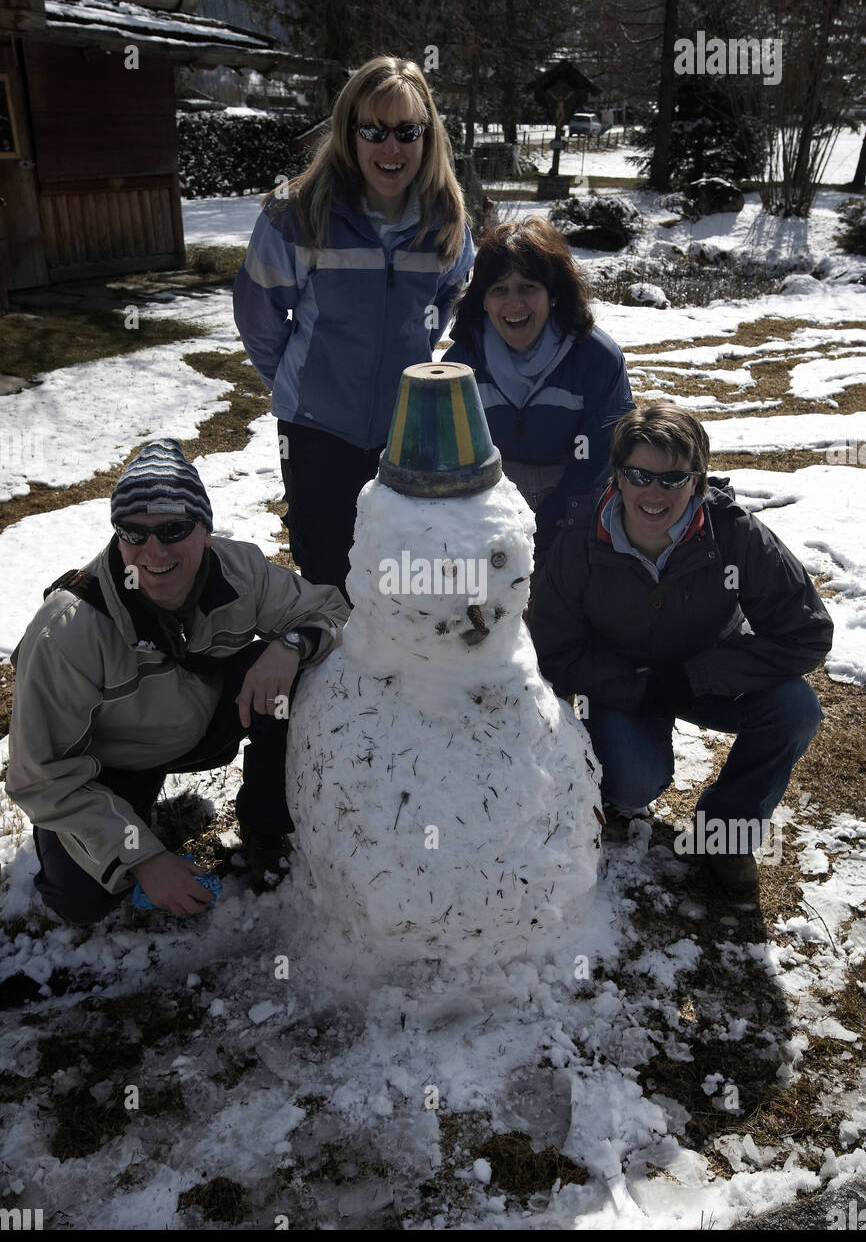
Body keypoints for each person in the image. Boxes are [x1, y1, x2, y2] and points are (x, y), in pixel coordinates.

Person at [6, 439, 349, 924]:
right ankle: (129, 826)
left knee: (298, 674)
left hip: (204, 724)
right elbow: (39, 776)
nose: (154, 552)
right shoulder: (65, 632)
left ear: (205, 530)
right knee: (81, 901)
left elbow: (332, 610)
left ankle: (266, 827)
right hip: (109, 768)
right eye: (133, 532)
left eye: (174, 529)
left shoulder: (241, 570)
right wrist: (144, 859)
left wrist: (289, 645)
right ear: (116, 537)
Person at [529, 404, 833, 892]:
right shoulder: (582, 536)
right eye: (639, 475)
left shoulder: (733, 533)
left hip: (708, 671)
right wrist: (634, 690)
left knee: (796, 710)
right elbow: (554, 648)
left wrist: (697, 676)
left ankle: (726, 833)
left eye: (673, 479)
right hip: (622, 685)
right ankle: (611, 783)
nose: (654, 493)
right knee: (633, 785)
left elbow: (807, 632)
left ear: (697, 481)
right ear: (618, 477)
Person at [233, 55, 475, 596]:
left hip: (403, 430)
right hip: (317, 431)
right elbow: (258, 315)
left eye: (407, 131)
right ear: (349, 133)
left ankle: (393, 679)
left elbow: (446, 301)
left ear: (427, 136)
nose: (391, 149)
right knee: (326, 572)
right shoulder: (296, 214)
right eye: (374, 130)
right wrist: (302, 385)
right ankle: (330, 677)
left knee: (399, 568)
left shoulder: (444, 220)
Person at [445, 216, 634, 566]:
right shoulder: (461, 363)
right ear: (483, 300)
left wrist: (545, 531)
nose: (514, 304)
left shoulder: (596, 358)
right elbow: (447, 461)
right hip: (489, 514)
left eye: (528, 287)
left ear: (554, 294)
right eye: (499, 289)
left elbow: (603, 461)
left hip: (574, 515)